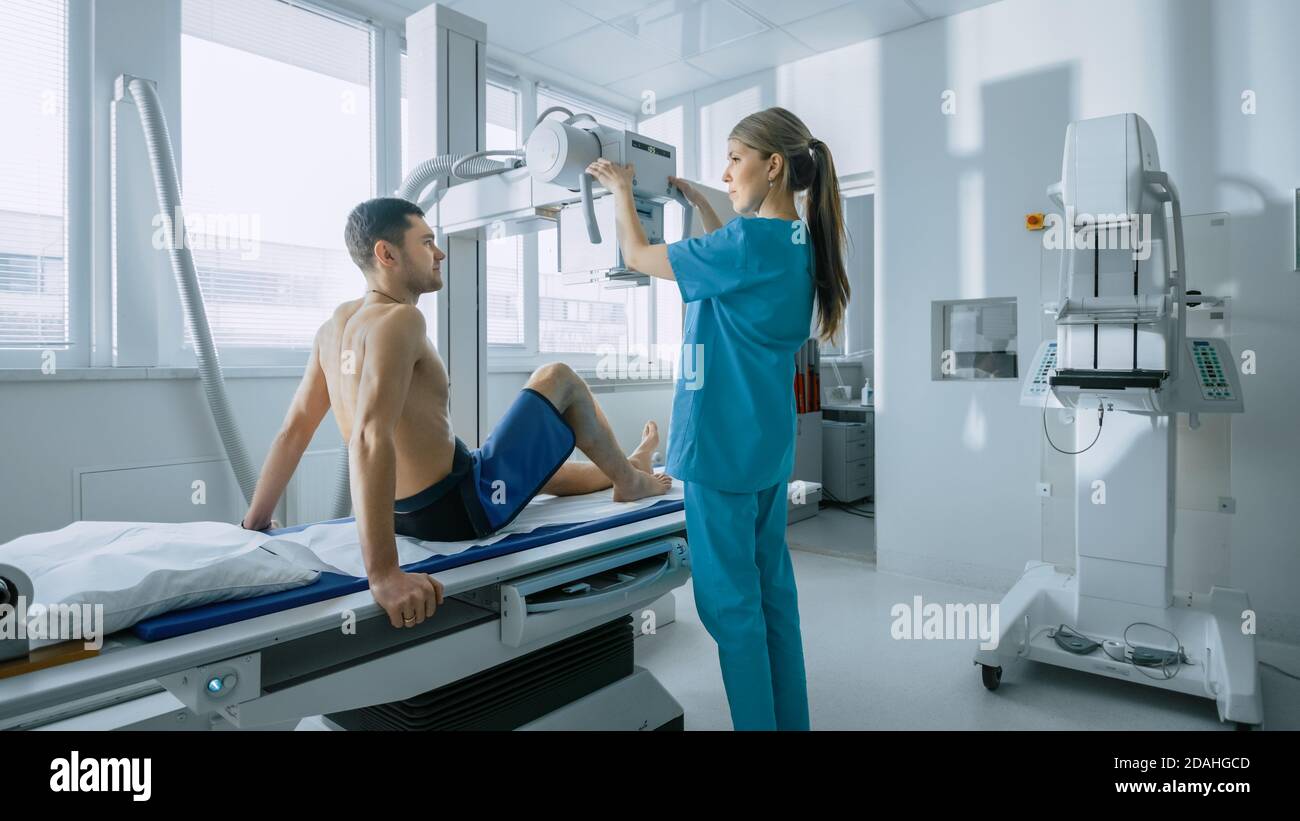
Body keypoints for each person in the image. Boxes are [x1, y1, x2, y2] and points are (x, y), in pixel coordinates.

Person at [240, 197, 671, 629]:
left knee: (538, 470)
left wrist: (256, 522)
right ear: (386, 254)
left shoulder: (334, 326)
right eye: (427, 242)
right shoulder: (401, 321)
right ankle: (631, 481)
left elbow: (293, 431)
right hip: (455, 509)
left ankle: (627, 465)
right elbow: (372, 437)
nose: (440, 253)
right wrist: (384, 574)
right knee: (558, 377)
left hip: (410, 509)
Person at [587, 107, 849, 730]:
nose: (727, 171)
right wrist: (707, 205)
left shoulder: (742, 244)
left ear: (773, 165)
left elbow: (638, 252)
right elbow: (731, 262)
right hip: (765, 449)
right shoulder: (795, 244)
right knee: (772, 600)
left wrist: (622, 191)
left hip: (718, 449)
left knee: (730, 608)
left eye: (736, 158)